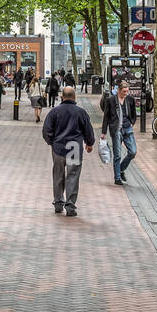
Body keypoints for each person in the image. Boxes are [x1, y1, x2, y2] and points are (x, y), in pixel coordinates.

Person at [41, 85, 95, 216]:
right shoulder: (81, 112)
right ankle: (70, 206)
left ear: (62, 97)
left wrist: (51, 142)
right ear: (75, 97)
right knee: (73, 175)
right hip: (74, 147)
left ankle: (58, 203)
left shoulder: (55, 112)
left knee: (58, 175)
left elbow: (46, 130)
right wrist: (89, 143)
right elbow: (88, 130)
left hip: (58, 147)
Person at [101, 80, 138, 186]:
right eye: (123, 92)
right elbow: (106, 117)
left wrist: (132, 123)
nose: (125, 94)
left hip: (128, 129)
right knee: (117, 155)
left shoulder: (130, 99)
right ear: (118, 90)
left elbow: (134, 113)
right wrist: (103, 132)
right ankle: (117, 177)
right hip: (116, 129)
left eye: (127, 91)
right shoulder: (111, 100)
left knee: (132, 152)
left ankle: (121, 169)